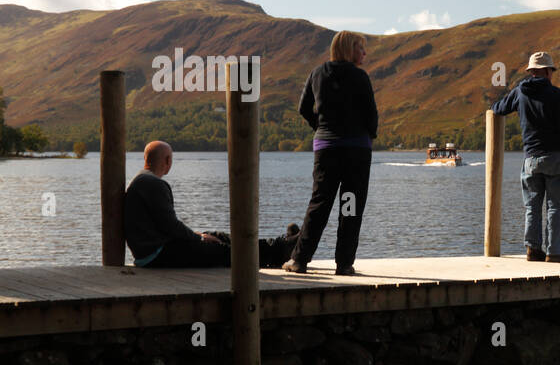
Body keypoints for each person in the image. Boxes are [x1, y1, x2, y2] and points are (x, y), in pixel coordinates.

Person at [284, 30, 379, 276]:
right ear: (349, 49)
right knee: (350, 206)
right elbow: (371, 115)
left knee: (319, 204)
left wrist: (320, 127)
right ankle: (344, 264)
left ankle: (299, 260)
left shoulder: (317, 73)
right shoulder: (360, 77)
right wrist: (367, 136)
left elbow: (303, 108)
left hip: (326, 149)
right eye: (361, 48)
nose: (364, 53)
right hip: (356, 152)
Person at [124, 140, 298, 268]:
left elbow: (166, 226)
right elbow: (170, 226)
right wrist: (199, 238)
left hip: (156, 249)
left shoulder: (142, 180)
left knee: (218, 236)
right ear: (167, 160)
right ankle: (279, 249)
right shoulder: (153, 184)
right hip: (158, 255)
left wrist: (199, 234)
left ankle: (277, 247)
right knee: (220, 249)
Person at [491, 51, 560, 262]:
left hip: (530, 159)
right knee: (556, 206)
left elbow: (498, 109)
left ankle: (532, 249)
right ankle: (554, 251)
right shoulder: (556, 94)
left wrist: (494, 105)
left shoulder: (520, 92)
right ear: (547, 71)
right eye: (551, 71)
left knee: (532, 205)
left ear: (531, 71)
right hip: (555, 158)